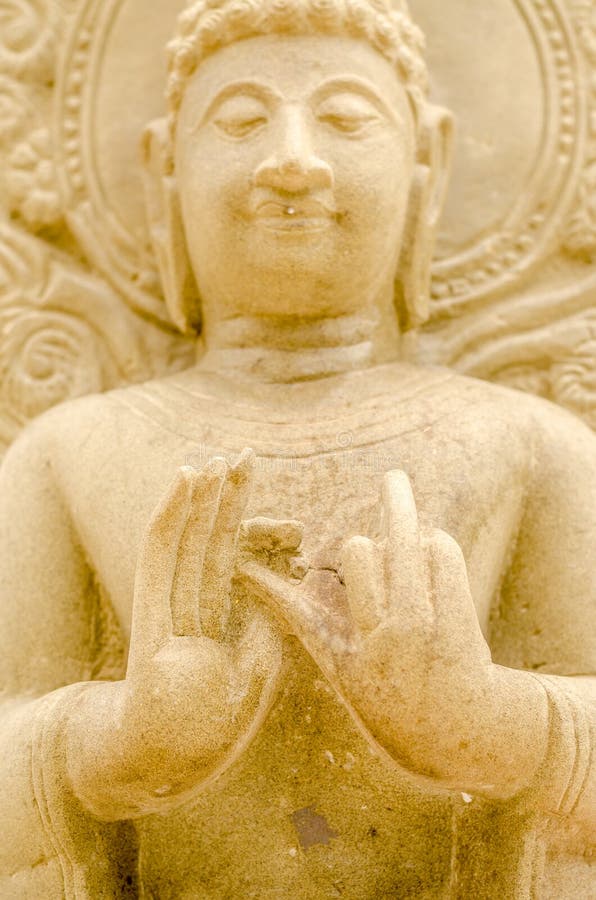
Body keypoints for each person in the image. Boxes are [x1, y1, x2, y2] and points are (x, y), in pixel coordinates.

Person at [0, 0, 593, 896]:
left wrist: (489, 721)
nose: (293, 160)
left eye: (348, 119)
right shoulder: (68, 451)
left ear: (424, 163)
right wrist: (120, 739)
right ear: (165, 167)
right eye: (238, 120)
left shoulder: (533, 445)